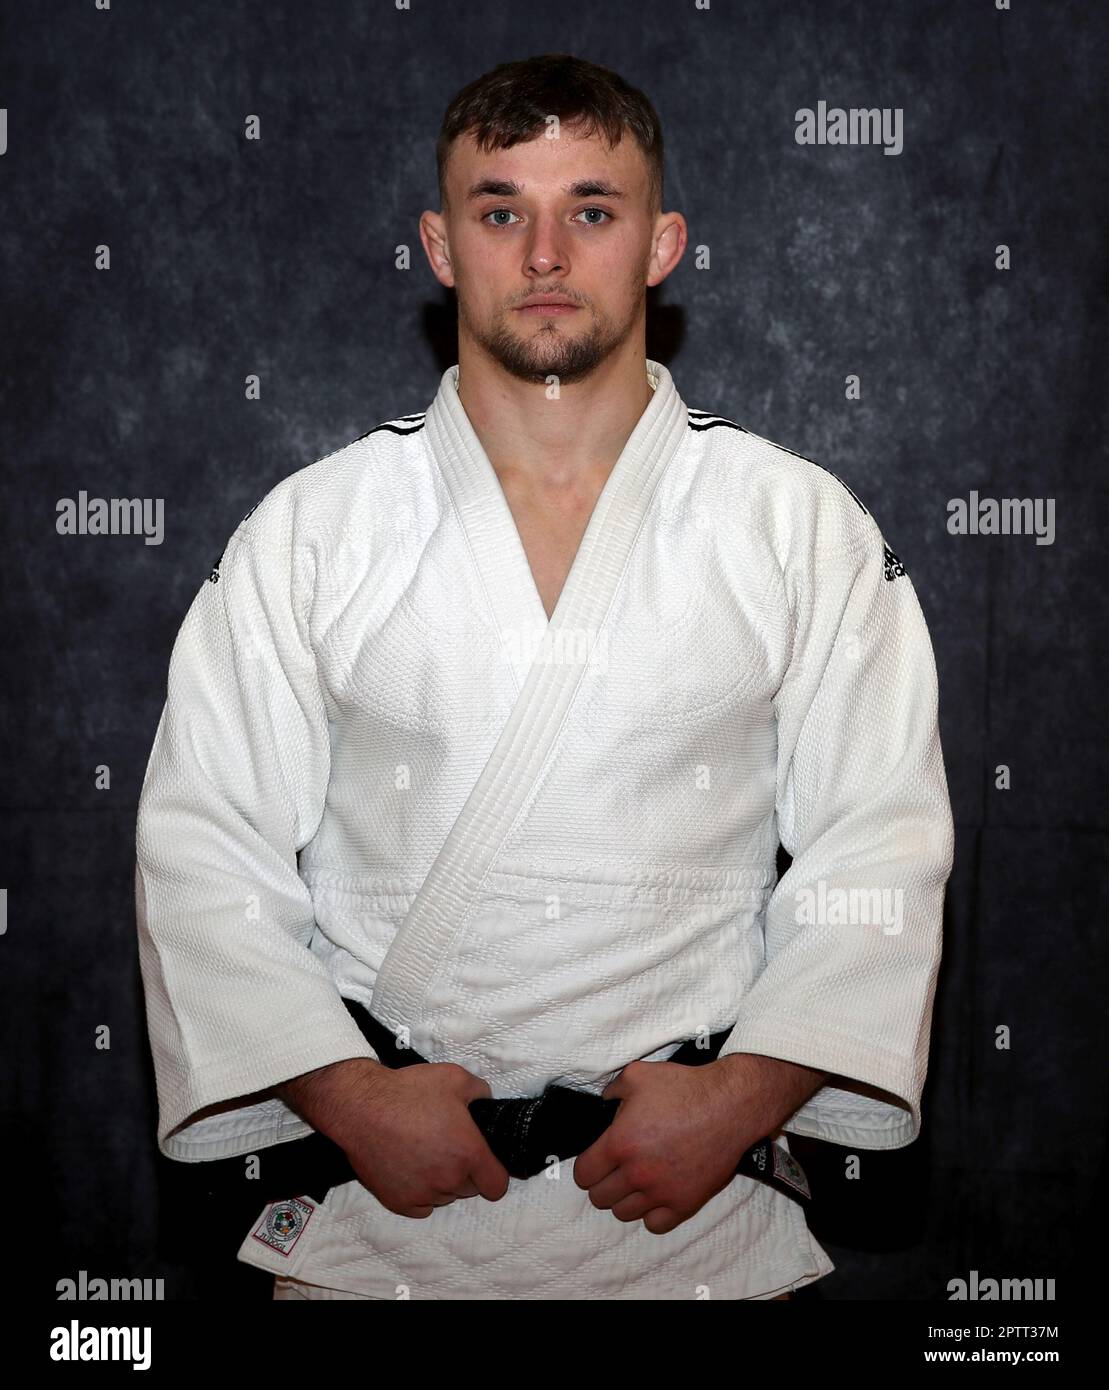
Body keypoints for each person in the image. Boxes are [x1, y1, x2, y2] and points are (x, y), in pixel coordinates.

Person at [134, 53, 955, 1301]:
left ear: (662, 242)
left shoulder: (793, 526)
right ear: (440, 243)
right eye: (499, 209)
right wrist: (346, 1098)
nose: (545, 253)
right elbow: (203, 850)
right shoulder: (315, 530)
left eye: (592, 209)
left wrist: (741, 1096)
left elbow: (878, 851)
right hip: (380, 1215)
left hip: (697, 1219)